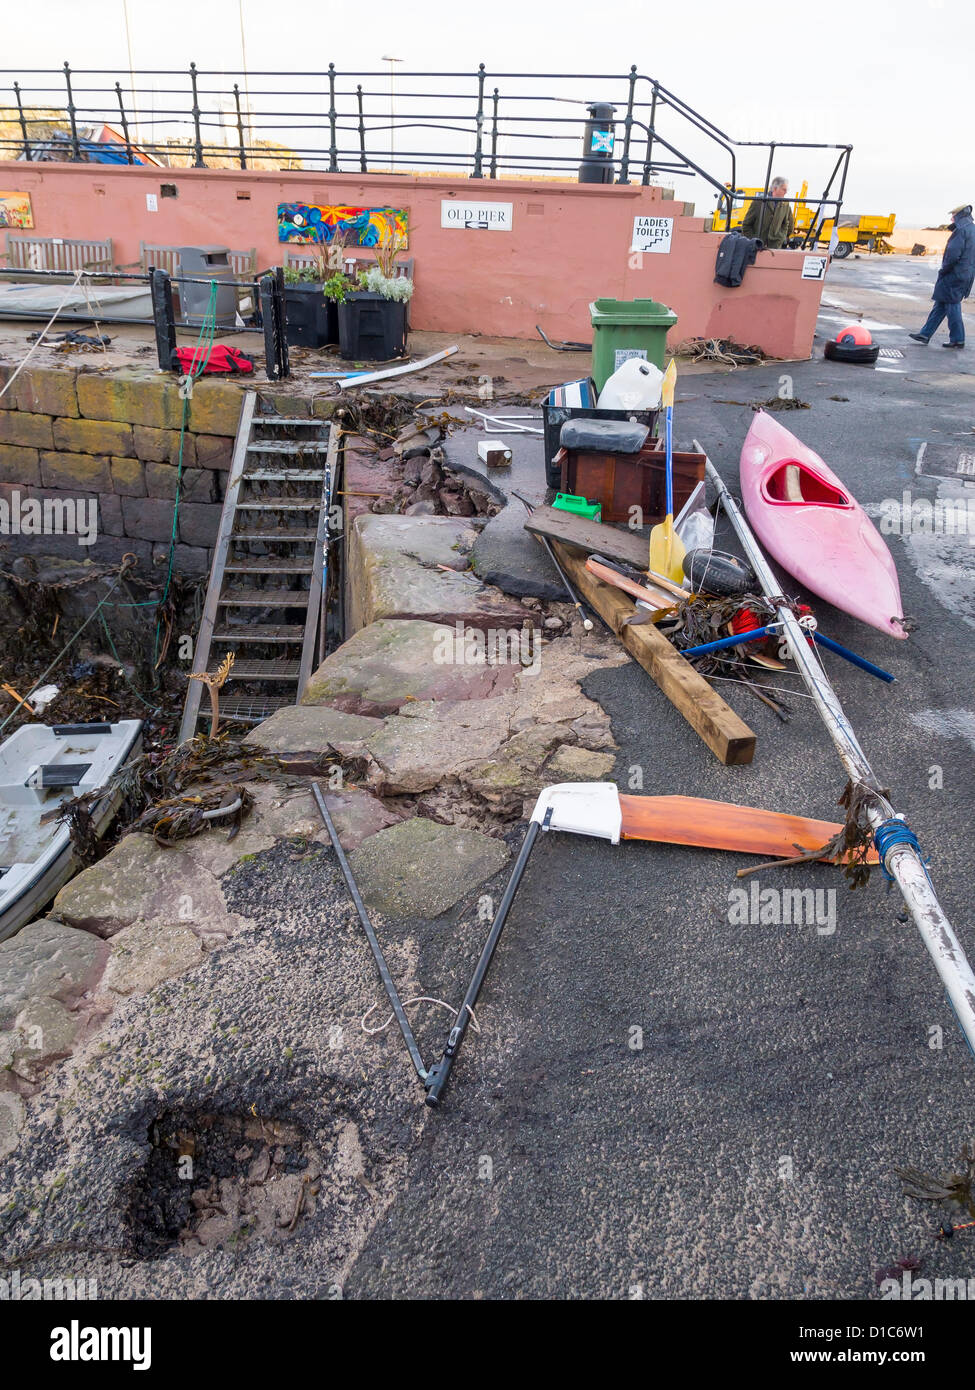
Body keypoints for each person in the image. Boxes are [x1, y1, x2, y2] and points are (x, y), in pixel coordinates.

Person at [909, 203, 975, 349]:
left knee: (952, 306)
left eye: (953, 216)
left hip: (954, 275)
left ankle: (958, 339)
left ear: (959, 215)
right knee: (941, 303)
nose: (952, 219)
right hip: (965, 274)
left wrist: (943, 270)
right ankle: (925, 334)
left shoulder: (961, 231)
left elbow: (953, 254)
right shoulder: (972, 229)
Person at [740, 178, 795, 249]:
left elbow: (787, 224)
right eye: (784, 189)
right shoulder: (758, 202)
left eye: (787, 190)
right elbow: (746, 225)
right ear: (775, 189)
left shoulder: (785, 205)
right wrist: (754, 241)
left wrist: (781, 238)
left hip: (775, 248)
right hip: (757, 248)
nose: (786, 192)